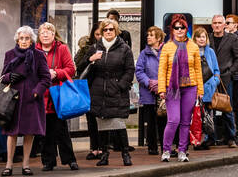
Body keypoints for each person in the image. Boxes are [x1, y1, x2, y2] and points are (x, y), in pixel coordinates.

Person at [0, 26, 49, 176]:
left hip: (31, 101)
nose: (24, 41)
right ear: (17, 40)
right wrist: (9, 77)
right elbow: (3, 76)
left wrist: (36, 92)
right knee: (11, 133)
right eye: (21, 38)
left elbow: (46, 78)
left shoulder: (38, 55)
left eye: (27, 38)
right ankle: (9, 165)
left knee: (29, 134)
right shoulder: (9, 54)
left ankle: (26, 165)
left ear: (32, 40)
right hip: (13, 100)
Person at [86, 18, 135, 166]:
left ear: (116, 31)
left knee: (118, 123)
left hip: (116, 91)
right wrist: (90, 59)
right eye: (105, 30)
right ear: (101, 32)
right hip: (99, 91)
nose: (108, 32)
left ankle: (125, 154)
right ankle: (104, 155)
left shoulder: (124, 48)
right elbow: (82, 67)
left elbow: (130, 69)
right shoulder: (95, 48)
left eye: (111, 29)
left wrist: (121, 85)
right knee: (102, 125)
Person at [158, 17, 202, 162]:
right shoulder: (167, 47)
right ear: (172, 30)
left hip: (190, 87)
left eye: (182, 28)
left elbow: (198, 70)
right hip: (172, 89)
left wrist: (200, 91)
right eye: (176, 28)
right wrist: (161, 89)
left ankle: (182, 151)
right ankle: (166, 150)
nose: (179, 31)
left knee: (185, 122)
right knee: (173, 120)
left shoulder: (194, 46)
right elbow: (162, 70)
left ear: (186, 29)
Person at [36, 22, 78, 171]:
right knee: (45, 132)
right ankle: (48, 161)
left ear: (54, 35)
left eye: (49, 32)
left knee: (61, 130)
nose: (46, 34)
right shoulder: (34, 51)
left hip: (59, 95)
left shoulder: (62, 48)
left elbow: (71, 69)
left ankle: (70, 160)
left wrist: (56, 73)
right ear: (39, 36)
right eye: (43, 32)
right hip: (41, 97)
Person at [212, 13, 238, 144]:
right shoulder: (208, 39)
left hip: (226, 79)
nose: (217, 25)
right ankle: (213, 137)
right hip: (210, 80)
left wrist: (230, 72)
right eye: (215, 23)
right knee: (211, 109)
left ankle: (232, 137)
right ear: (212, 25)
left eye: (220, 23)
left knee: (227, 107)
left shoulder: (233, 38)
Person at [134, 26, 164, 155]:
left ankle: (165, 146)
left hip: (163, 93)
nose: (148, 37)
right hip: (148, 93)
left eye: (151, 35)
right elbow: (139, 71)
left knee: (164, 121)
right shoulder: (143, 53)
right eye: (148, 35)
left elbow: (171, 70)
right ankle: (152, 147)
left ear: (158, 38)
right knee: (150, 122)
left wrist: (161, 84)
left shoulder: (166, 51)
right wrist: (149, 82)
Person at [76, 21, 104, 159]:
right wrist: (90, 58)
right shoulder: (90, 48)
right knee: (91, 118)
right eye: (97, 34)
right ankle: (94, 148)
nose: (99, 36)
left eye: (102, 33)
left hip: (106, 87)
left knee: (104, 119)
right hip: (91, 87)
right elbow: (79, 66)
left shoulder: (115, 49)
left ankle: (103, 147)